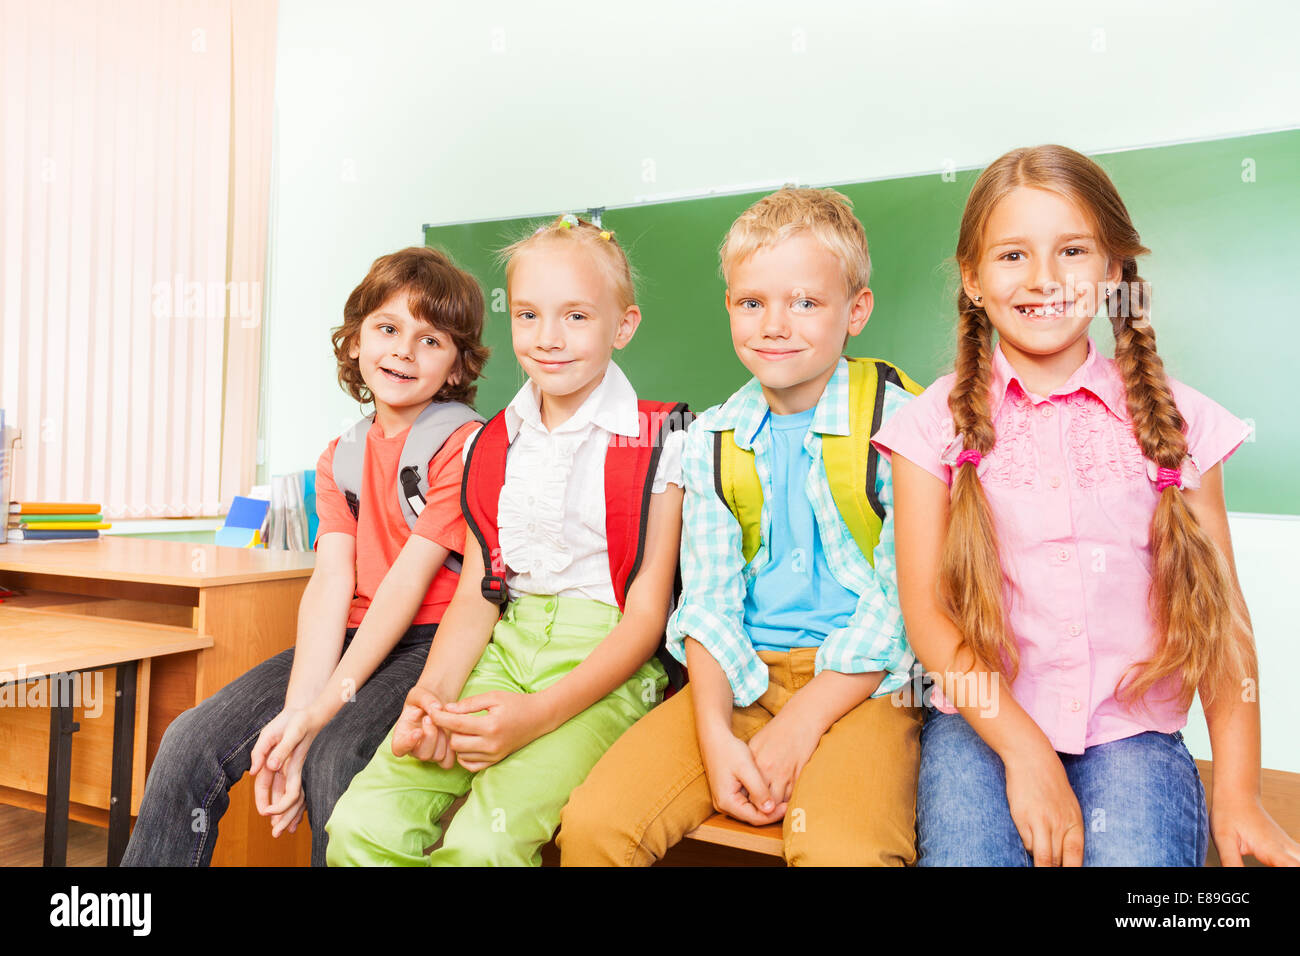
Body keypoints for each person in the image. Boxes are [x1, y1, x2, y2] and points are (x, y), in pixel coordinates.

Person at [872, 144, 1300, 866]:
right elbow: (928, 617)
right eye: (1012, 256)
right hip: (982, 725)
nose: (1043, 279)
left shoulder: (1181, 424)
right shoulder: (927, 425)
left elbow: (1221, 622)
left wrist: (1237, 791)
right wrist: (1025, 752)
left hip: (1130, 733)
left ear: (1112, 270)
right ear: (972, 280)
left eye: (1072, 250)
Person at [560, 187, 924, 866]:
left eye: (806, 302)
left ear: (857, 310)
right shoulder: (711, 439)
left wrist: (800, 726)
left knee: (844, 850)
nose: (775, 325)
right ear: (729, 306)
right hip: (741, 676)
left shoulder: (903, 428)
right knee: (595, 826)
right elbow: (707, 602)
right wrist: (715, 732)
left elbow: (902, 611)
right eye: (752, 302)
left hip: (865, 684)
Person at [324, 214, 689, 866]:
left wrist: (538, 714)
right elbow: (478, 596)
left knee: (485, 841)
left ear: (623, 325)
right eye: (528, 315)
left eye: (576, 316)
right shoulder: (490, 445)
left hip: (601, 669)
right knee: (361, 821)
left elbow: (645, 621)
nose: (548, 337)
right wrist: (430, 698)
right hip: (500, 651)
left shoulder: (663, 442)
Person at [122, 246, 488, 866]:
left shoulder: (466, 446)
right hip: (350, 635)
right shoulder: (339, 457)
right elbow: (330, 586)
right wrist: (298, 710)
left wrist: (320, 716)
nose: (404, 350)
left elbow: (405, 587)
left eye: (431, 341)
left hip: (426, 642)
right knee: (189, 740)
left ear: (455, 367)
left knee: (333, 754)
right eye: (388, 328)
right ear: (354, 341)